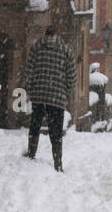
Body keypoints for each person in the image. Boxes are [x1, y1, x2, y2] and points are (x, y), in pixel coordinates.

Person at [22, 25, 76, 172]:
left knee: (35, 125)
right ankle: (57, 163)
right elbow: (71, 75)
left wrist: (28, 88)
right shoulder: (66, 51)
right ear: (57, 35)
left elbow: (28, 70)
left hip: (38, 95)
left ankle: (31, 153)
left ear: (45, 35)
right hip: (57, 98)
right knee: (56, 131)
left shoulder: (36, 48)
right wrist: (66, 92)